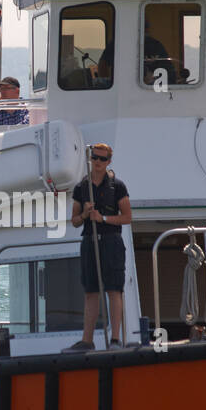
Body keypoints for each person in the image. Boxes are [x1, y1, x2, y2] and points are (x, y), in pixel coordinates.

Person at [68, 143, 131, 351]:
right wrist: (86, 215)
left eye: (102, 159)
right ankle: (87, 340)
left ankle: (115, 339)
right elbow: (75, 221)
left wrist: (102, 218)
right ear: (91, 159)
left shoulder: (118, 186)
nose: (98, 162)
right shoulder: (81, 188)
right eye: (95, 157)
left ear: (109, 162)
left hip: (111, 241)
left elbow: (127, 217)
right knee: (91, 291)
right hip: (89, 241)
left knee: (114, 290)